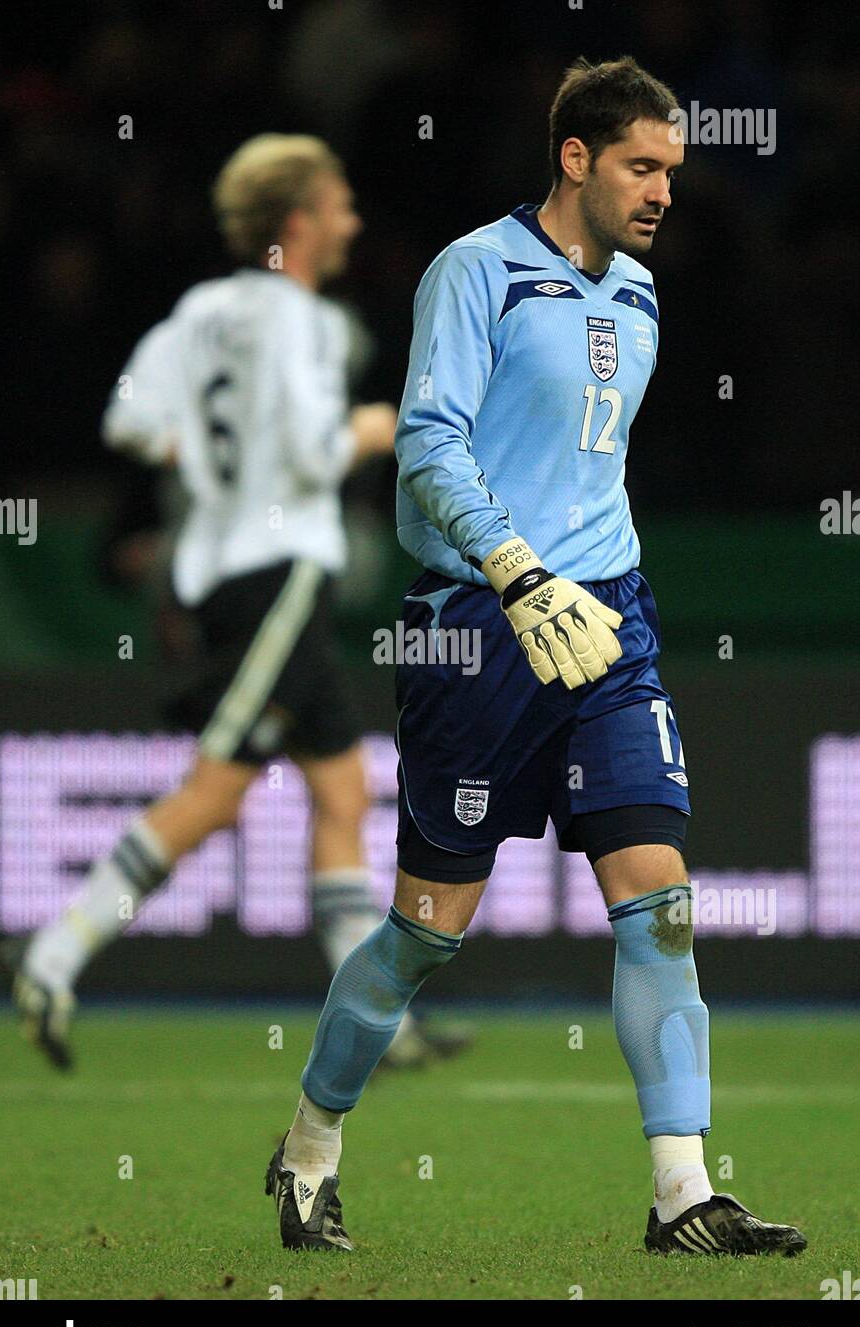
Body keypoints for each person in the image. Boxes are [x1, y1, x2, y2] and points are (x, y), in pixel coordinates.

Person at [265, 60, 807, 1258]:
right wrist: (514, 570)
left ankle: (682, 1195)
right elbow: (425, 446)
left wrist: (578, 576)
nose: (663, 190)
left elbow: (584, 471)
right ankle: (309, 1145)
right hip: (479, 629)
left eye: (672, 169)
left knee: (658, 906)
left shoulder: (645, 297)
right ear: (576, 158)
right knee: (426, 929)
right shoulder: (476, 271)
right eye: (640, 166)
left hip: (607, 625)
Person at [10, 134, 459, 1073]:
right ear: (298, 222)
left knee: (340, 789)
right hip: (279, 570)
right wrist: (371, 430)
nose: (351, 221)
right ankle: (52, 958)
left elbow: (128, 422)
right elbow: (309, 454)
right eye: (337, 204)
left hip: (218, 568)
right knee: (217, 791)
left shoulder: (200, 311)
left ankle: (376, 1023)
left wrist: (213, 467)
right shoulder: (298, 318)